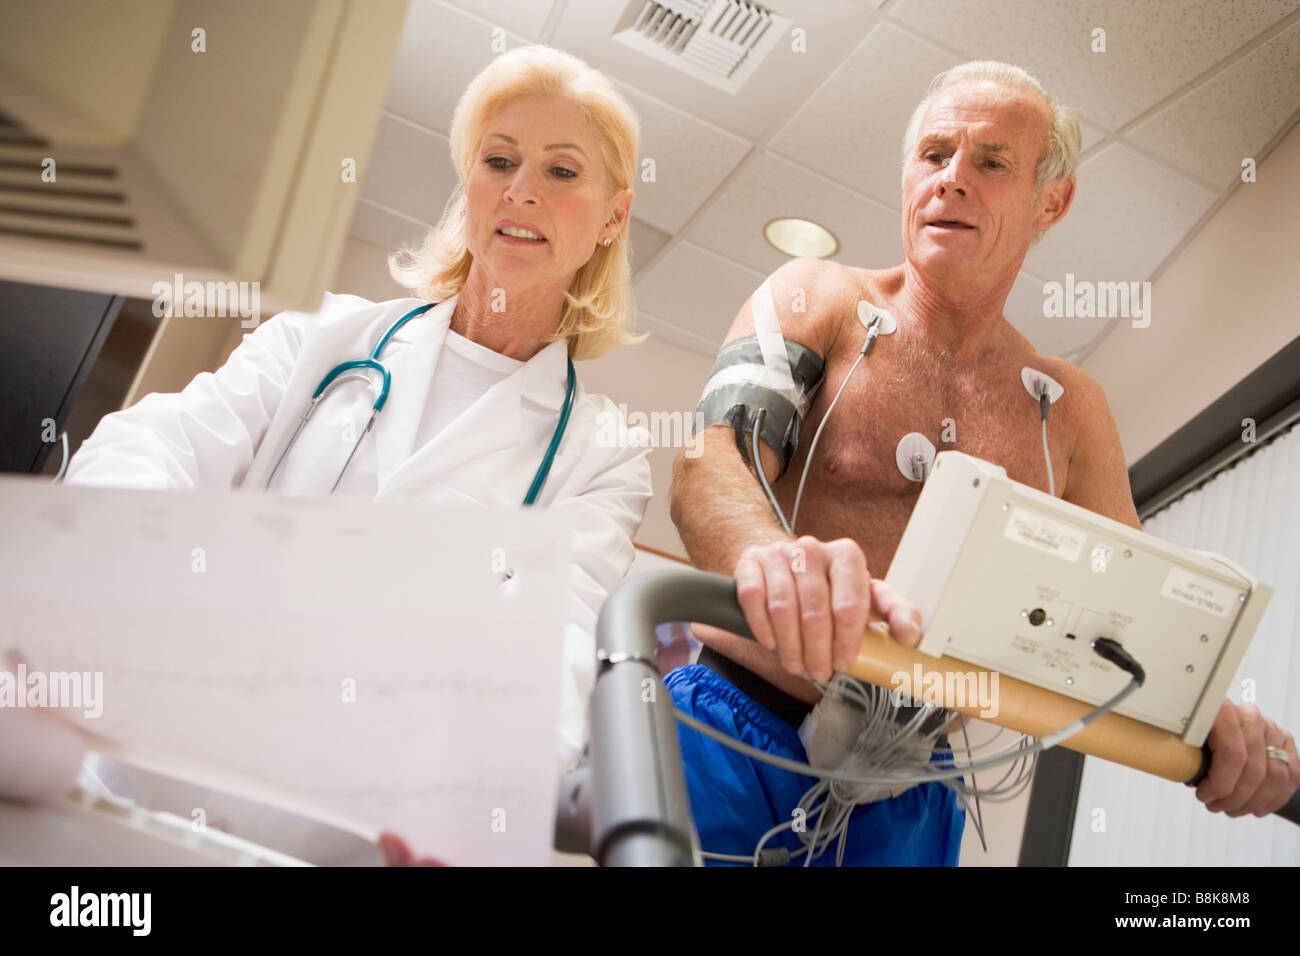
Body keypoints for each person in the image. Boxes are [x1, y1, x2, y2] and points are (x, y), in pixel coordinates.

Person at [667, 60, 1300, 866]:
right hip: (732, 730)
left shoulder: (1069, 410)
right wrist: (773, 562)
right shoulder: (814, 299)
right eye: (934, 154)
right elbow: (709, 458)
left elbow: (1137, 629)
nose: (952, 180)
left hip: (910, 787)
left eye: (991, 161)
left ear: (1051, 201)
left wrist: (1216, 719)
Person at [63, 46, 654, 852]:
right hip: (140, 781)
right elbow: (151, 440)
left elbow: (560, 644)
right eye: (499, 160)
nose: (520, 189)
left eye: (561, 171)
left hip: (333, 835)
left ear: (612, 217)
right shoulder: (325, 335)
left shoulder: (602, 455)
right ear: (470, 186)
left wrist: (482, 806)